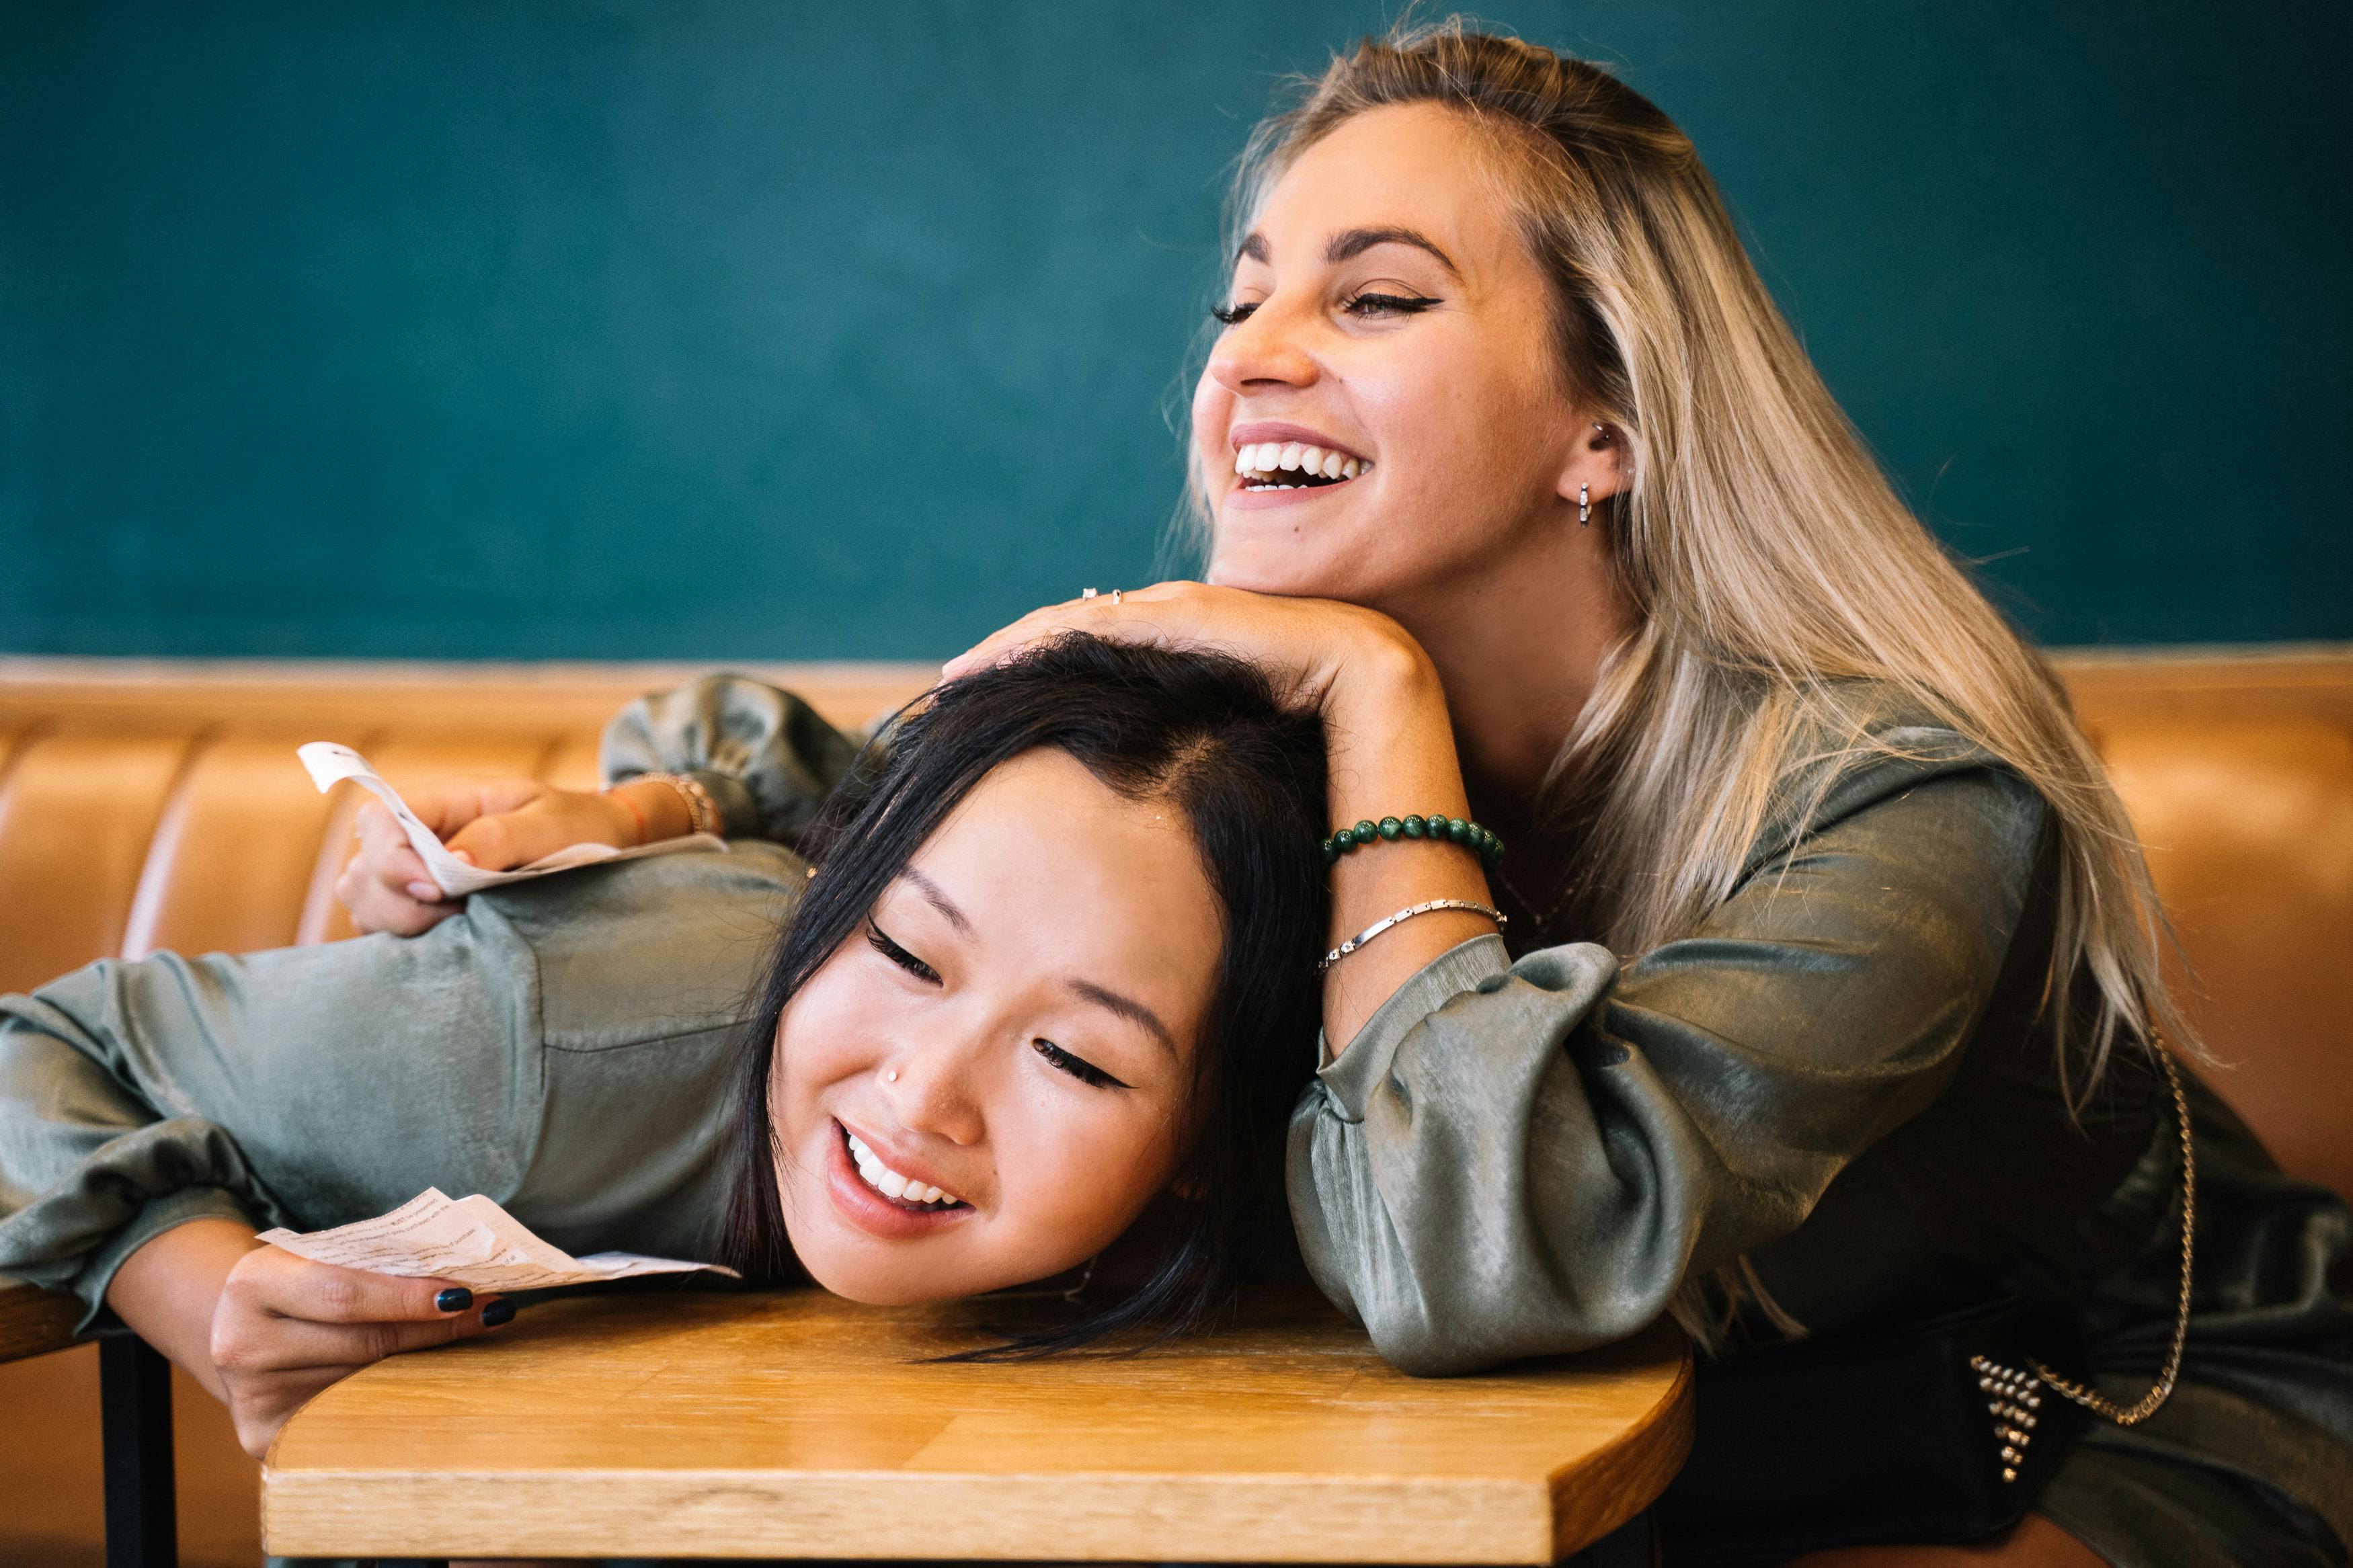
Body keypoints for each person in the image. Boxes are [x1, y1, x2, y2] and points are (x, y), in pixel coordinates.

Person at [334, 23, 2352, 1567]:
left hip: (2132, 1409)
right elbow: (892, 840)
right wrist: (649, 826)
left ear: (1605, 429)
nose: (1250, 359)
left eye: (1371, 299)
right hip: (1660, 1456)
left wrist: (1373, 690)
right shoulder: (1254, 730)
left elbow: (1474, 1253)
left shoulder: (1903, 800)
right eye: (1240, 300)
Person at [0, 636, 1328, 1460]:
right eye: (907, 957)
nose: (924, 1093)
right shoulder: (553, 1047)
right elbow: (44, 1038)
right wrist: (185, 1281)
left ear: (1211, 1146)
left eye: (1076, 1061)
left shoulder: (1297, 1188)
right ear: (834, 895)